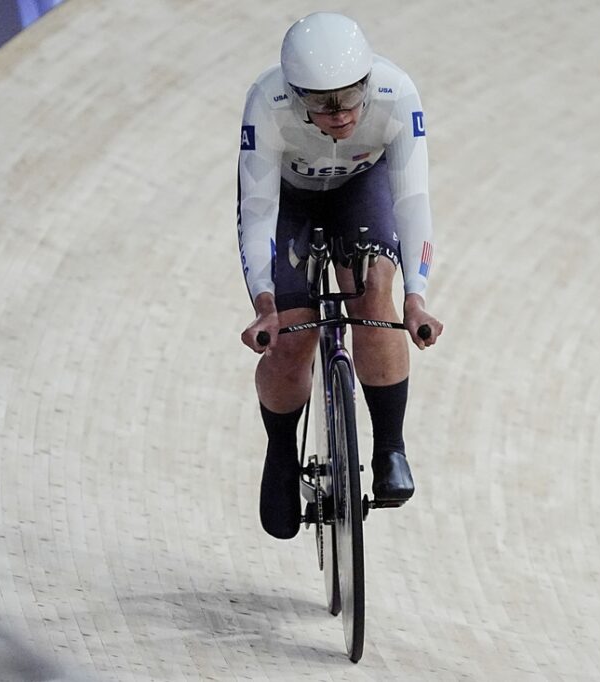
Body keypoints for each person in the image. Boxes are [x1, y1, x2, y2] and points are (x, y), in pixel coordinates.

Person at [237, 12, 443, 539]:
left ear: (369, 81)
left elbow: (413, 199)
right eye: (322, 103)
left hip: (361, 190)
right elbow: (257, 207)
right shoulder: (267, 103)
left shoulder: (398, 94)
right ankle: (281, 451)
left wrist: (416, 296)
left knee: (375, 296)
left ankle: (390, 446)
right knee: (289, 334)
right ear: (294, 93)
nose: (339, 114)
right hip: (291, 202)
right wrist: (264, 302)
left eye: (350, 96)